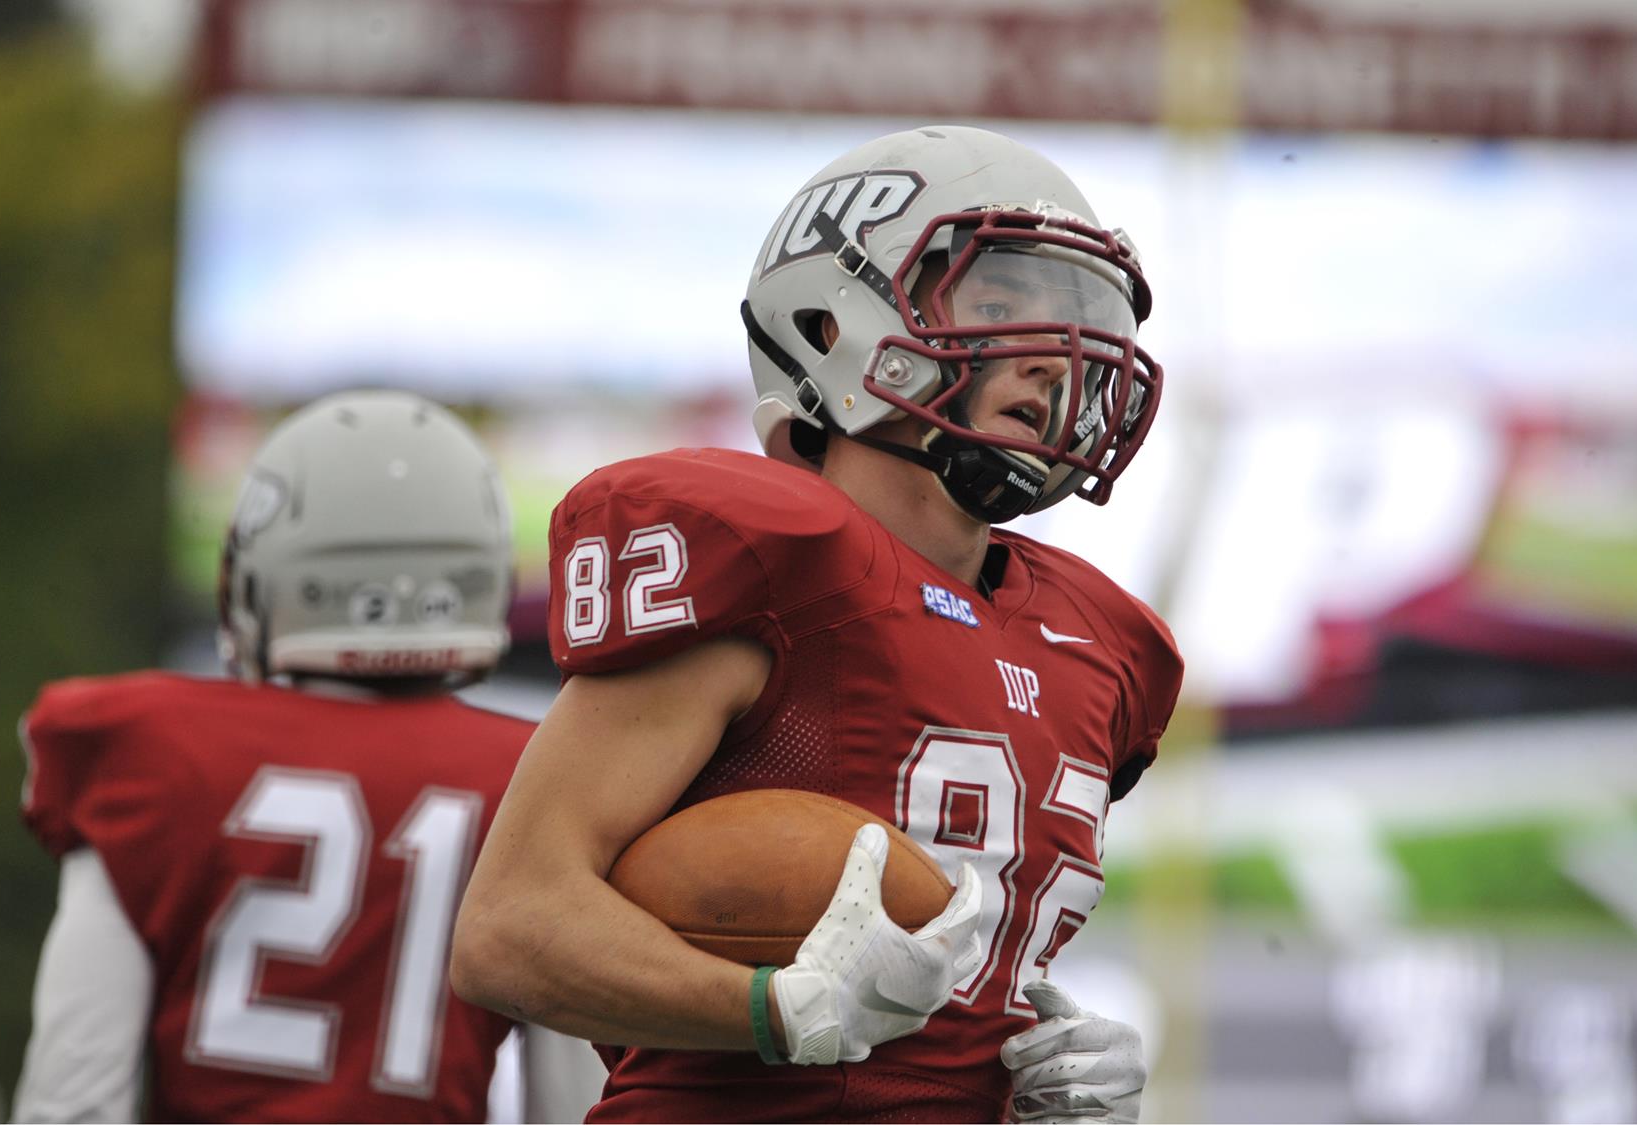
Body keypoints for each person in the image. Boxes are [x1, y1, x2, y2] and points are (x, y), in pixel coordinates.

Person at [451, 125, 1183, 1123]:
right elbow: (507, 927)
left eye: (1070, 324)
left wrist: (1039, 1085)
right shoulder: (775, 570)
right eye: (998, 306)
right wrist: (775, 1009)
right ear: (834, 321)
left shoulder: (1096, 643)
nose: (1054, 362)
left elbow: (951, 1005)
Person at [13, 390, 601, 1123]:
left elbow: (73, 1100)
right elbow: (575, 1106)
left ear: (266, 575)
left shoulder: (159, 752)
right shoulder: (537, 777)